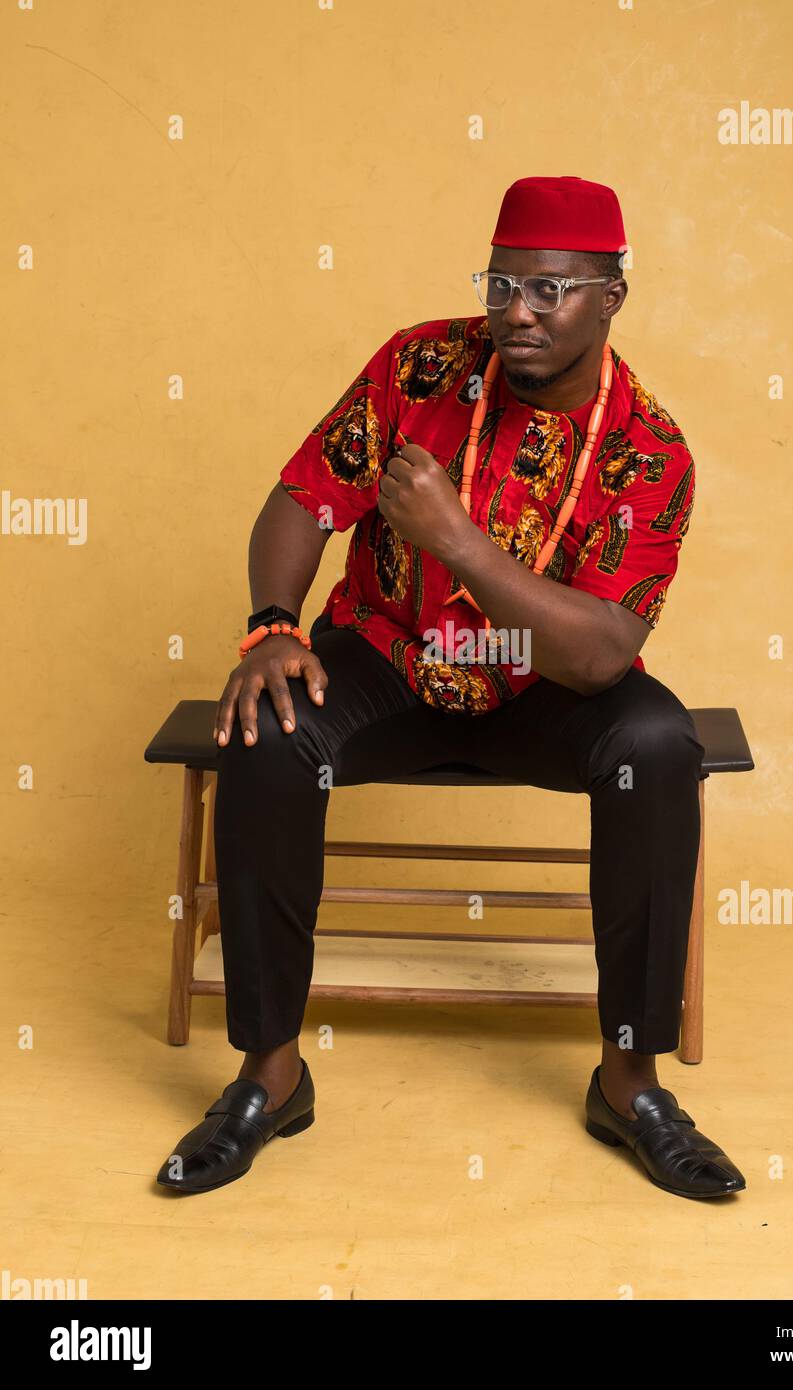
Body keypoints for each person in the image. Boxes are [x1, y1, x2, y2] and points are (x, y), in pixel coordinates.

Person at [156, 176, 745, 1201]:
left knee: (656, 746)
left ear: (610, 296)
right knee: (267, 727)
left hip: (543, 688)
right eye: (501, 283)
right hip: (387, 654)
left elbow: (601, 655)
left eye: (550, 289)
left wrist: (458, 542)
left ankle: (630, 1082)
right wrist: (273, 625)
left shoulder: (648, 450)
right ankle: (270, 1073)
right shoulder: (420, 365)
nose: (518, 310)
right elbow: (302, 495)